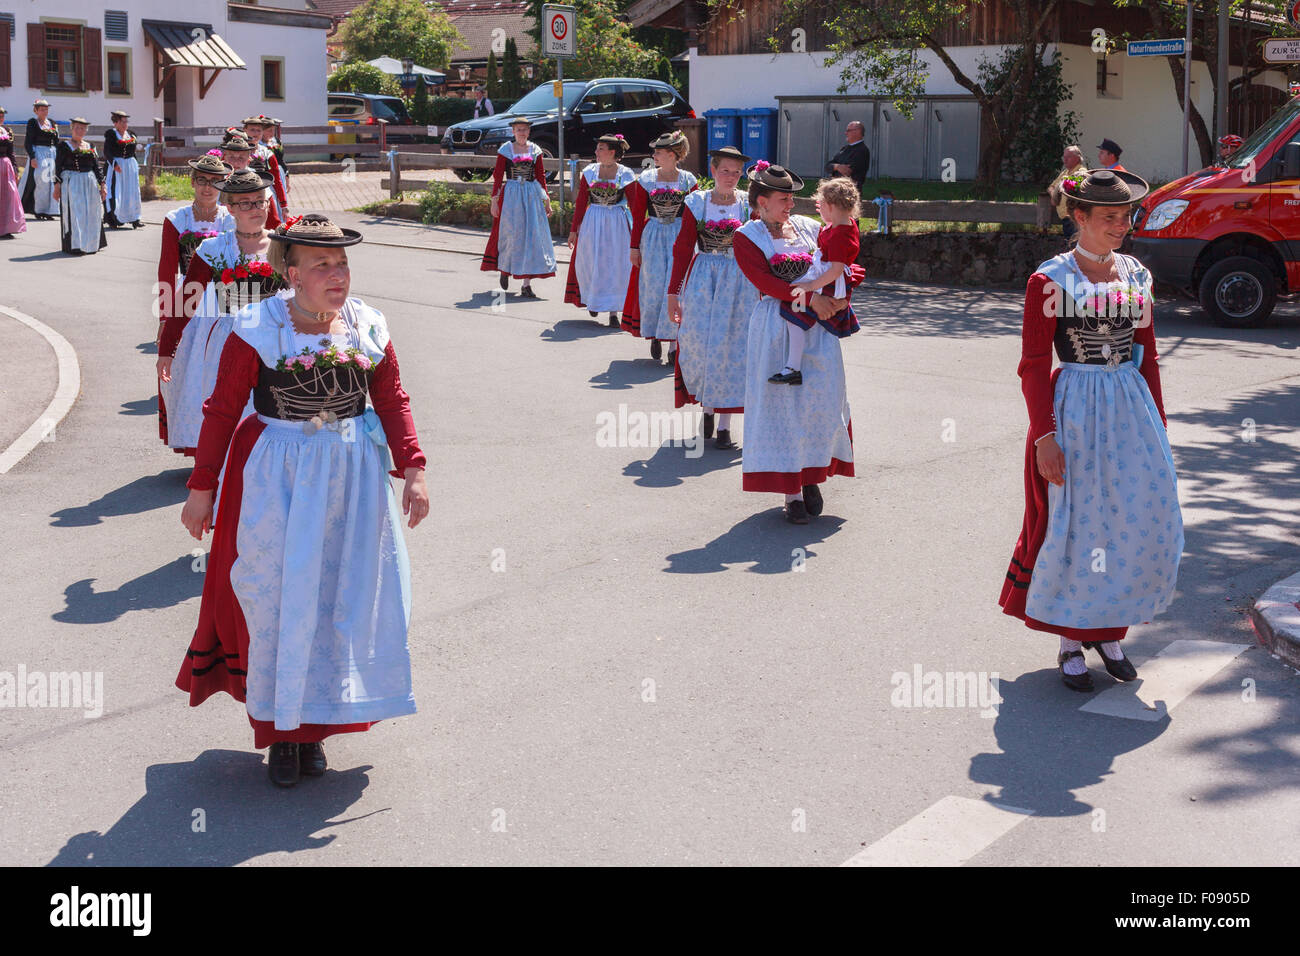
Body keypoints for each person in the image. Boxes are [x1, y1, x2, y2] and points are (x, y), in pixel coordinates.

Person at [175, 213, 429, 788]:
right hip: (275, 478)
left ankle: (313, 729)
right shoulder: (257, 326)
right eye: (322, 264)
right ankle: (280, 735)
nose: (336, 274)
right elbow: (220, 410)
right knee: (278, 600)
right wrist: (201, 488)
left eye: (341, 263)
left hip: (352, 480)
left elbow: (391, 398)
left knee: (338, 598)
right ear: (292, 272)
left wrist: (412, 467)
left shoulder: (367, 325)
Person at [998, 169, 1183, 692]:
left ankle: (1111, 635)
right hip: (1076, 406)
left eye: (1125, 217)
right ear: (1079, 217)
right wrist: (1044, 436)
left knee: (1132, 516)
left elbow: (1147, 355)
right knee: (1078, 522)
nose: (1121, 226)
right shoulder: (1050, 280)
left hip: (1129, 407)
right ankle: (1070, 641)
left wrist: (1159, 424)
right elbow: (1033, 363)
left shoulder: (1134, 274)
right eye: (1109, 218)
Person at [733, 163, 859, 524]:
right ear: (762, 201)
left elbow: (837, 261)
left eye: (792, 197)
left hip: (817, 326)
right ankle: (792, 491)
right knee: (784, 406)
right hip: (778, 325)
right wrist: (810, 299)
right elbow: (766, 282)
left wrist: (840, 296)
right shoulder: (747, 237)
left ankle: (812, 474)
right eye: (783, 198)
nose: (791, 204)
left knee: (820, 401)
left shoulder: (809, 227)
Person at [158, 169, 283, 455]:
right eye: (246, 203)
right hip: (228, 339)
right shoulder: (214, 248)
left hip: (272, 338)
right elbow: (186, 302)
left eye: (260, 201)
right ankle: (221, 470)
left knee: (267, 408)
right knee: (229, 405)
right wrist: (167, 349)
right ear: (230, 208)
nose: (256, 209)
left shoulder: (283, 247)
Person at [666, 145, 755, 450]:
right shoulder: (696, 202)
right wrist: (672, 293)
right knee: (700, 343)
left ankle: (726, 426)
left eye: (737, 172)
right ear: (713, 171)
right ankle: (706, 408)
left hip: (737, 280)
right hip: (704, 276)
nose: (731, 177)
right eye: (725, 171)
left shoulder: (747, 205)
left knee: (732, 347)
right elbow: (682, 248)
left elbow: (760, 247)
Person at [154, 153, 236, 450]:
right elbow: (166, 269)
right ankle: (193, 441)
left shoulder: (230, 220)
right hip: (186, 299)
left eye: (215, 182)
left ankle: (220, 444)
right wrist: (165, 317)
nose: (207, 188)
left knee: (215, 369)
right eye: (202, 180)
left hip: (221, 300)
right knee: (188, 371)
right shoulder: (176, 220)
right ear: (191, 182)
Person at [769, 174, 861, 385]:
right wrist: (829, 217)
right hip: (829, 279)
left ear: (829, 205)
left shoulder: (840, 235)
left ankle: (793, 366)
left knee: (794, 311)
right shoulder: (845, 225)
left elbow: (836, 269)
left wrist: (810, 286)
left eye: (822, 206)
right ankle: (795, 364)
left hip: (829, 282)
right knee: (797, 313)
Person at [621, 129, 698, 362]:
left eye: (660, 152)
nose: (654, 155)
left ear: (674, 154)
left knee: (676, 287)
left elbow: (695, 215)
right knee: (654, 286)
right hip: (653, 234)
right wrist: (634, 247)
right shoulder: (646, 180)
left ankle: (674, 343)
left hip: (679, 234)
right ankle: (656, 333)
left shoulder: (688, 181)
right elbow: (637, 214)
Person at [565, 133, 636, 327]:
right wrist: (574, 230)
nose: (596, 152)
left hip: (616, 223)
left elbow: (636, 205)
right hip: (593, 221)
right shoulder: (589, 172)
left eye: (601, 149)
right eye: (597, 149)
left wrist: (639, 233)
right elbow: (581, 203)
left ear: (612, 152)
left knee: (615, 264)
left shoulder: (626, 174)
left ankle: (614, 311)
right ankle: (594, 299)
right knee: (591, 261)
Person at [481, 116, 554, 297]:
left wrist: (546, 200)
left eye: (525, 129)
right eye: (518, 129)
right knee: (511, 235)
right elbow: (498, 176)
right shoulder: (506, 150)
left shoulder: (535, 150)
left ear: (529, 131)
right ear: (513, 132)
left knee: (531, 237)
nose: (522, 132)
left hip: (530, 195)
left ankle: (526, 284)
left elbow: (540, 176)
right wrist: (494, 201)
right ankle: (505, 269)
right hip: (512, 194)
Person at [53, 118, 107, 256]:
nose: (80, 131)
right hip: (72, 181)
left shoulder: (90, 146)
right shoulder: (64, 146)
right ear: (72, 128)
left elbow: (97, 167)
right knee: (75, 213)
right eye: (77, 128)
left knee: (91, 212)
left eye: (83, 128)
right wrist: (56, 186)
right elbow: (57, 166)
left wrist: (103, 184)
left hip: (89, 182)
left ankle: (91, 243)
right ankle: (76, 245)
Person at [218, 131, 281, 229]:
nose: (235, 162)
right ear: (224, 158)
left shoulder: (259, 183)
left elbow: (272, 222)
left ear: (248, 160)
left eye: (241, 158)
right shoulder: (219, 182)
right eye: (231, 157)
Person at [103, 109, 143, 229]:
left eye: (126, 122)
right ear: (115, 123)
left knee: (132, 192)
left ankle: (135, 218)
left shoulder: (131, 135)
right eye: (122, 122)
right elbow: (107, 151)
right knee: (116, 191)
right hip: (117, 167)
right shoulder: (111, 135)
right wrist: (114, 164)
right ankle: (114, 218)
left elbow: (132, 152)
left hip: (130, 167)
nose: (125, 124)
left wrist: (135, 165)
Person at [19, 99, 59, 220]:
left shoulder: (51, 123)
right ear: (36, 110)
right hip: (39, 153)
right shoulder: (33, 123)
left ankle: (50, 210)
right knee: (41, 181)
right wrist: (32, 157)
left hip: (51, 154)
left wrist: (58, 155)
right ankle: (39, 209)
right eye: (42, 109)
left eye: (46, 109)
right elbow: (28, 142)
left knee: (52, 182)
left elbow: (56, 141)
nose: (45, 111)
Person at [243, 117, 289, 221]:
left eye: (259, 130)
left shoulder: (267, 153)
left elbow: (277, 180)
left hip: (264, 195)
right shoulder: (235, 151)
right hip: (241, 195)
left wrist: (283, 205)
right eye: (252, 130)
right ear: (245, 130)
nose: (255, 133)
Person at [1047, 145, 1087, 240]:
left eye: (1068, 157)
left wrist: (1059, 187)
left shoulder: (1082, 172)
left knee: (1075, 246)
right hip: (1066, 219)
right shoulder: (1065, 173)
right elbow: (1051, 187)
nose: (1064, 160)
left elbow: (1072, 185)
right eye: (1064, 157)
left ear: (1077, 158)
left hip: (1074, 219)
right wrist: (1054, 196)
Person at [0, 106, 26, 239]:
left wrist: (15, 169)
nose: (1, 118)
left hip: (6, 166)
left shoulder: (7, 131)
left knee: (9, 196)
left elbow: (11, 152)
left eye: (2, 116)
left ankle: (8, 227)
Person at [825, 121, 870, 192]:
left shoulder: (862, 150)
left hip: (849, 193)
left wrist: (835, 167)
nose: (845, 133)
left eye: (848, 130)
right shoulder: (845, 149)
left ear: (858, 132)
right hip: (838, 191)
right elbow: (827, 166)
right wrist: (837, 167)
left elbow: (847, 171)